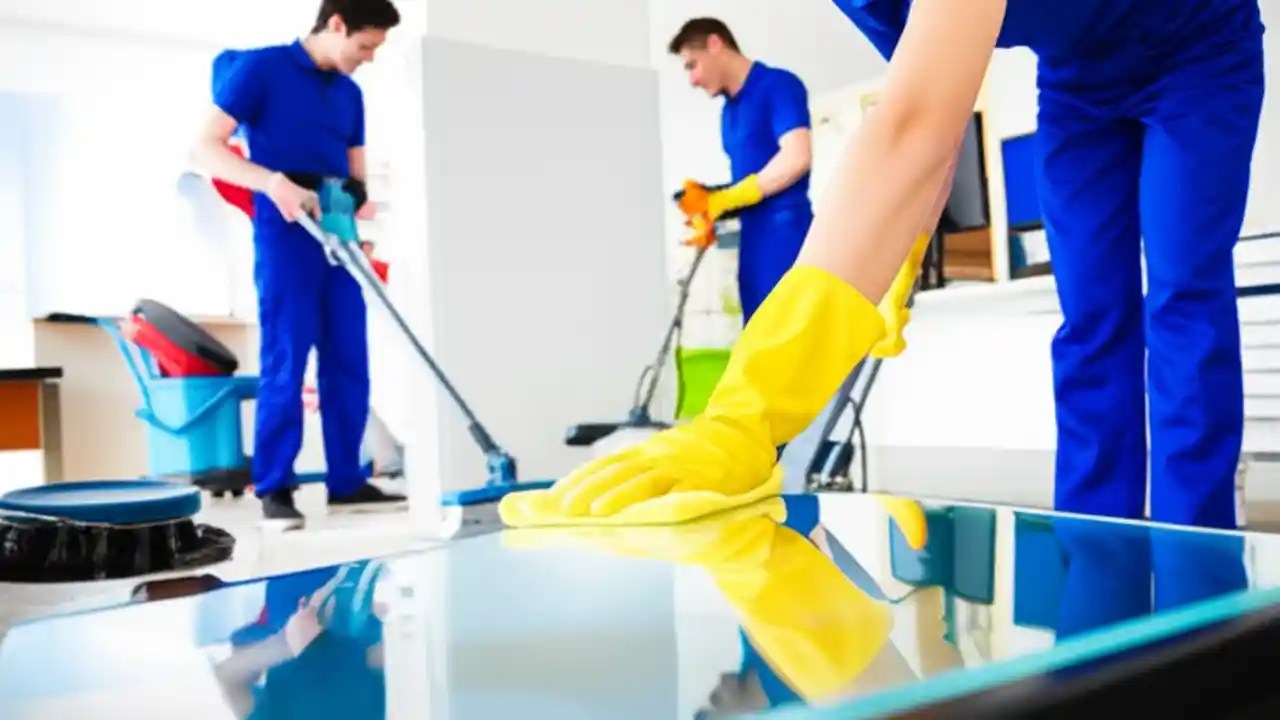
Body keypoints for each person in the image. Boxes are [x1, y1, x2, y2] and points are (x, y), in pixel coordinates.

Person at [502, 0, 1264, 531]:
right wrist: (894, 245)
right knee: (1093, 314)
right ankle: (1100, 545)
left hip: (1199, 45)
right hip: (1078, 77)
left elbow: (913, 133)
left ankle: (1199, 550)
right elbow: (927, 111)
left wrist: (750, 409)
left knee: (1181, 292)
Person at [192, 0, 406, 527]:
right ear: (336, 25)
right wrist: (271, 182)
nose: (370, 58)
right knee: (288, 354)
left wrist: (356, 204)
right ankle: (275, 487)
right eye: (365, 46)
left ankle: (346, 481)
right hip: (284, 221)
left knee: (349, 355)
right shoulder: (260, 69)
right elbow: (204, 148)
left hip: (335, 227)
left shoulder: (351, 93)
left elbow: (355, 173)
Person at [667, 19, 815, 327]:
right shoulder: (729, 113)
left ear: (715, 44)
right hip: (752, 243)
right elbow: (751, 178)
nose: (692, 79)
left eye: (692, 65)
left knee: (791, 339)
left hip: (787, 239)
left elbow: (797, 156)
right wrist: (710, 199)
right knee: (758, 341)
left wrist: (729, 197)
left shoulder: (778, 85)